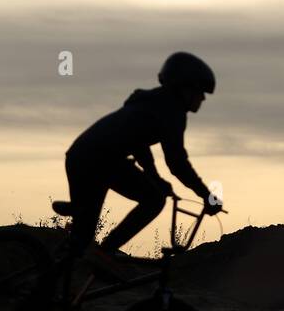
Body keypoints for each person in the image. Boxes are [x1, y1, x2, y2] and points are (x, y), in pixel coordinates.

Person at [58, 52, 222, 267]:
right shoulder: (171, 112)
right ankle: (105, 253)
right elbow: (177, 163)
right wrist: (207, 196)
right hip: (101, 161)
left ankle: (49, 284)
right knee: (154, 200)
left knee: (80, 241)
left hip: (81, 156)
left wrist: (154, 177)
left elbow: (138, 143)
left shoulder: (153, 103)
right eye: (200, 92)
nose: (203, 98)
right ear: (184, 88)